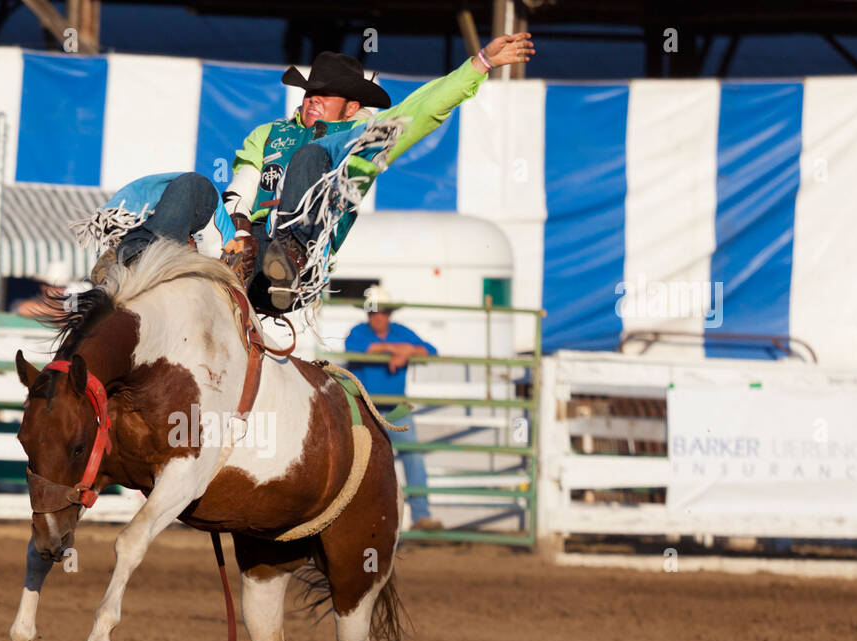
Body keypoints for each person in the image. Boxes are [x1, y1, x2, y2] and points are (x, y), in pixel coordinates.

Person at [86, 34, 534, 313]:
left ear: (353, 106)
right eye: (311, 91)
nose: (314, 98)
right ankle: (131, 256)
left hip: (296, 258)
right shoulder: (270, 133)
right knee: (191, 184)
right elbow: (241, 187)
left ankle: (288, 261)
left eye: (328, 93)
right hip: (241, 245)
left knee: (310, 159)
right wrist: (236, 227)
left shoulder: (365, 137)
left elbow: (422, 110)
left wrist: (480, 63)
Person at [345, 285, 443, 531]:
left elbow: (430, 351)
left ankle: (421, 515)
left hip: (395, 409)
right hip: (366, 408)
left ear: (389, 313)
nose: (378, 316)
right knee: (362, 461)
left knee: (413, 457)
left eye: (382, 311)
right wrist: (398, 349)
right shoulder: (360, 333)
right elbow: (356, 349)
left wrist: (408, 350)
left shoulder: (400, 332)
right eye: (374, 312)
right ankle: (361, 515)